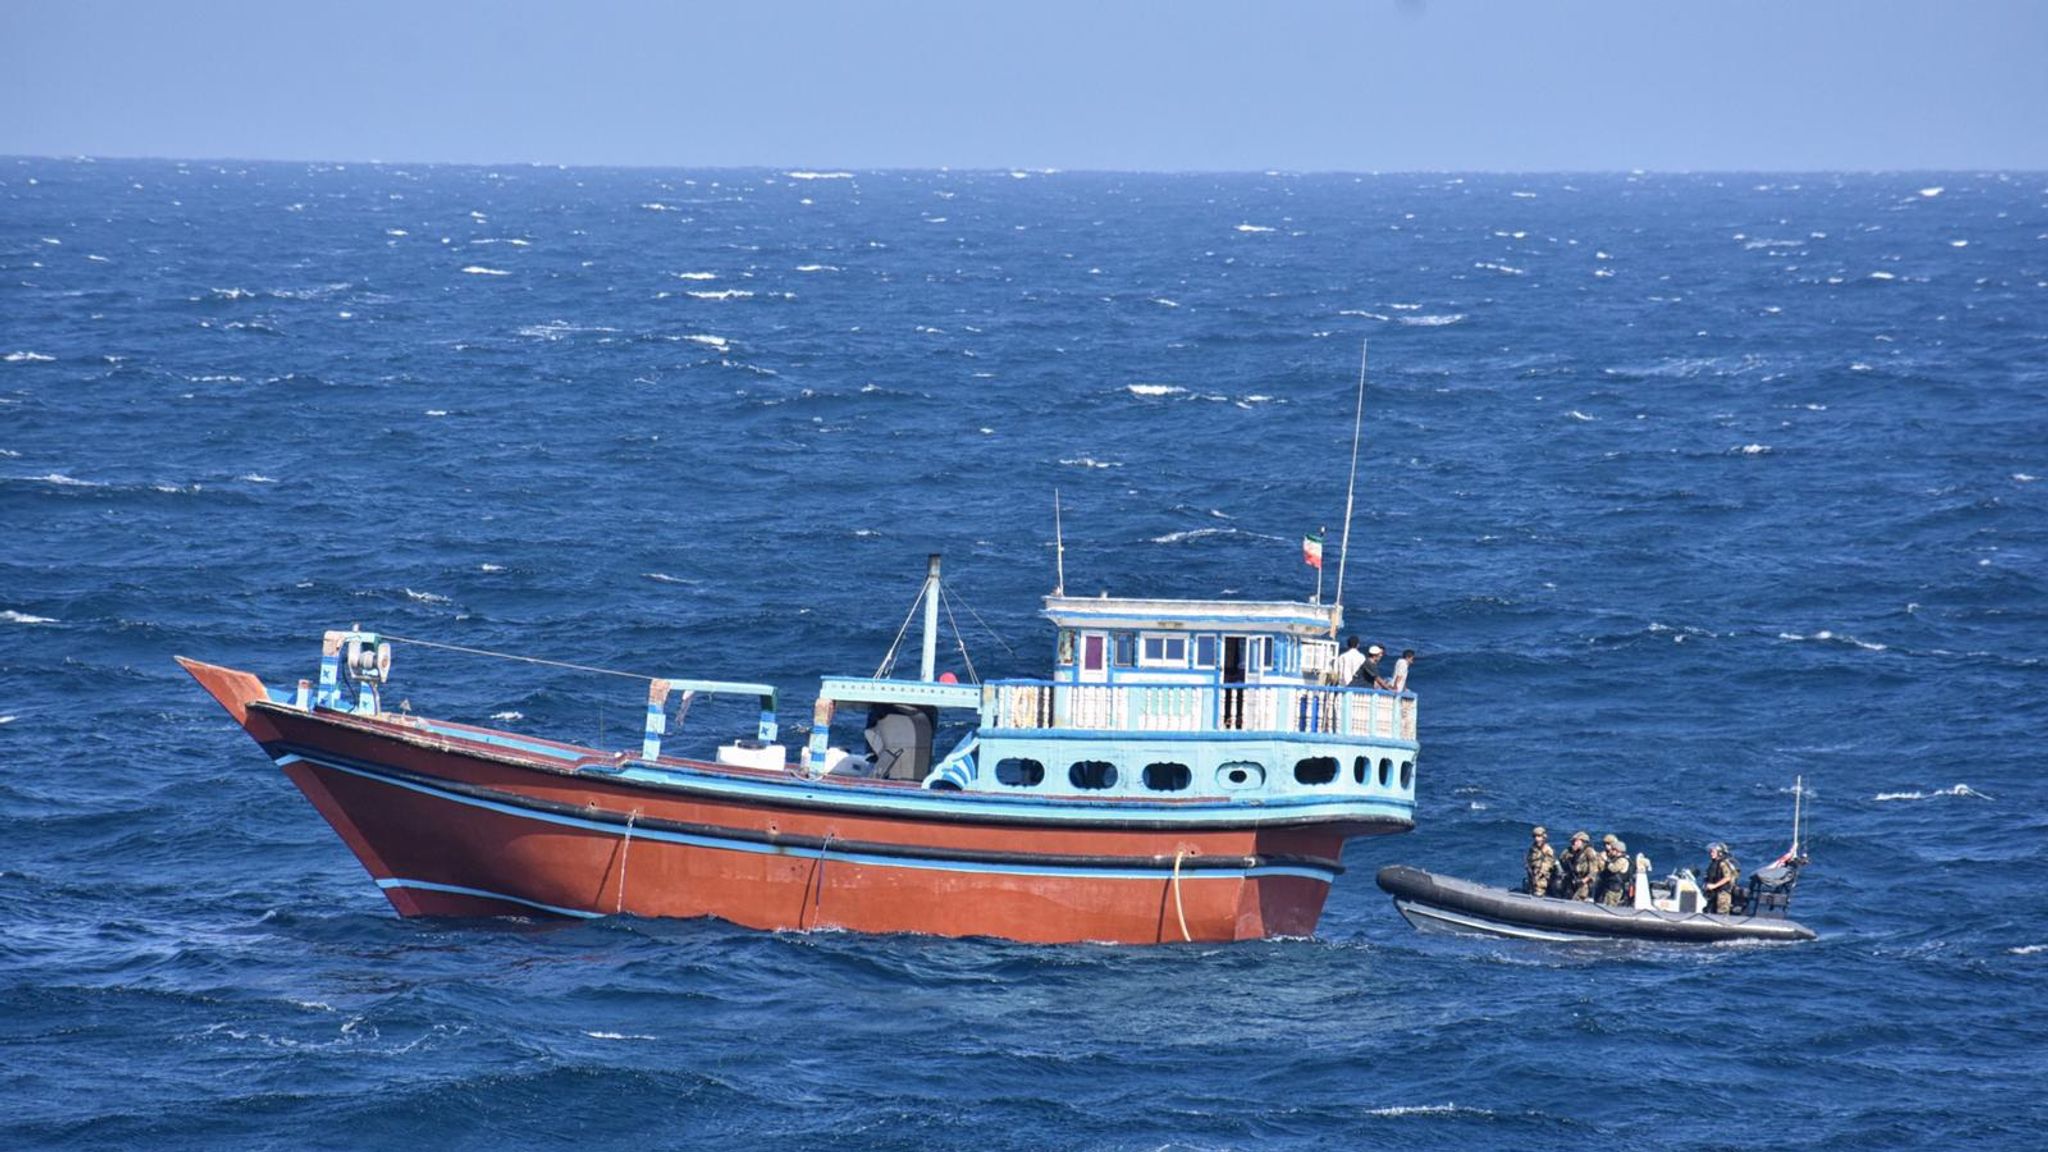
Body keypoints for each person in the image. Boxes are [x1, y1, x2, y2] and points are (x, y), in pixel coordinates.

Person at [1703, 842, 1741, 915]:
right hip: (1714, 894)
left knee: (1721, 914)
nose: (1711, 853)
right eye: (1710, 851)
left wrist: (1714, 886)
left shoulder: (1723, 863)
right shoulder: (1714, 863)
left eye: (1713, 852)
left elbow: (1728, 877)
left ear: (1719, 853)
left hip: (1722, 895)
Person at [1595, 834, 1634, 907]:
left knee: (1610, 906)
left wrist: (1606, 860)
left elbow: (1613, 869)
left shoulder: (1622, 860)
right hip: (1609, 886)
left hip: (1615, 888)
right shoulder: (1615, 858)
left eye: (1613, 849)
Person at [1562, 830, 1599, 900]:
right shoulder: (1573, 852)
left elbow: (1594, 870)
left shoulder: (1589, 851)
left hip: (1584, 882)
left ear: (1582, 841)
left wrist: (1584, 880)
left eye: (1575, 842)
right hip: (1574, 879)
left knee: (1577, 899)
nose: (1573, 844)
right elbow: (1563, 858)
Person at [1524, 826, 1558, 896]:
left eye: (1539, 836)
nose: (1537, 839)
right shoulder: (1533, 848)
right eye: (1535, 836)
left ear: (1543, 837)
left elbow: (1548, 863)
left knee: (1539, 891)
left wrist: (1541, 873)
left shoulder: (1547, 849)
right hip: (1533, 874)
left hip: (1542, 876)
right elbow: (1530, 859)